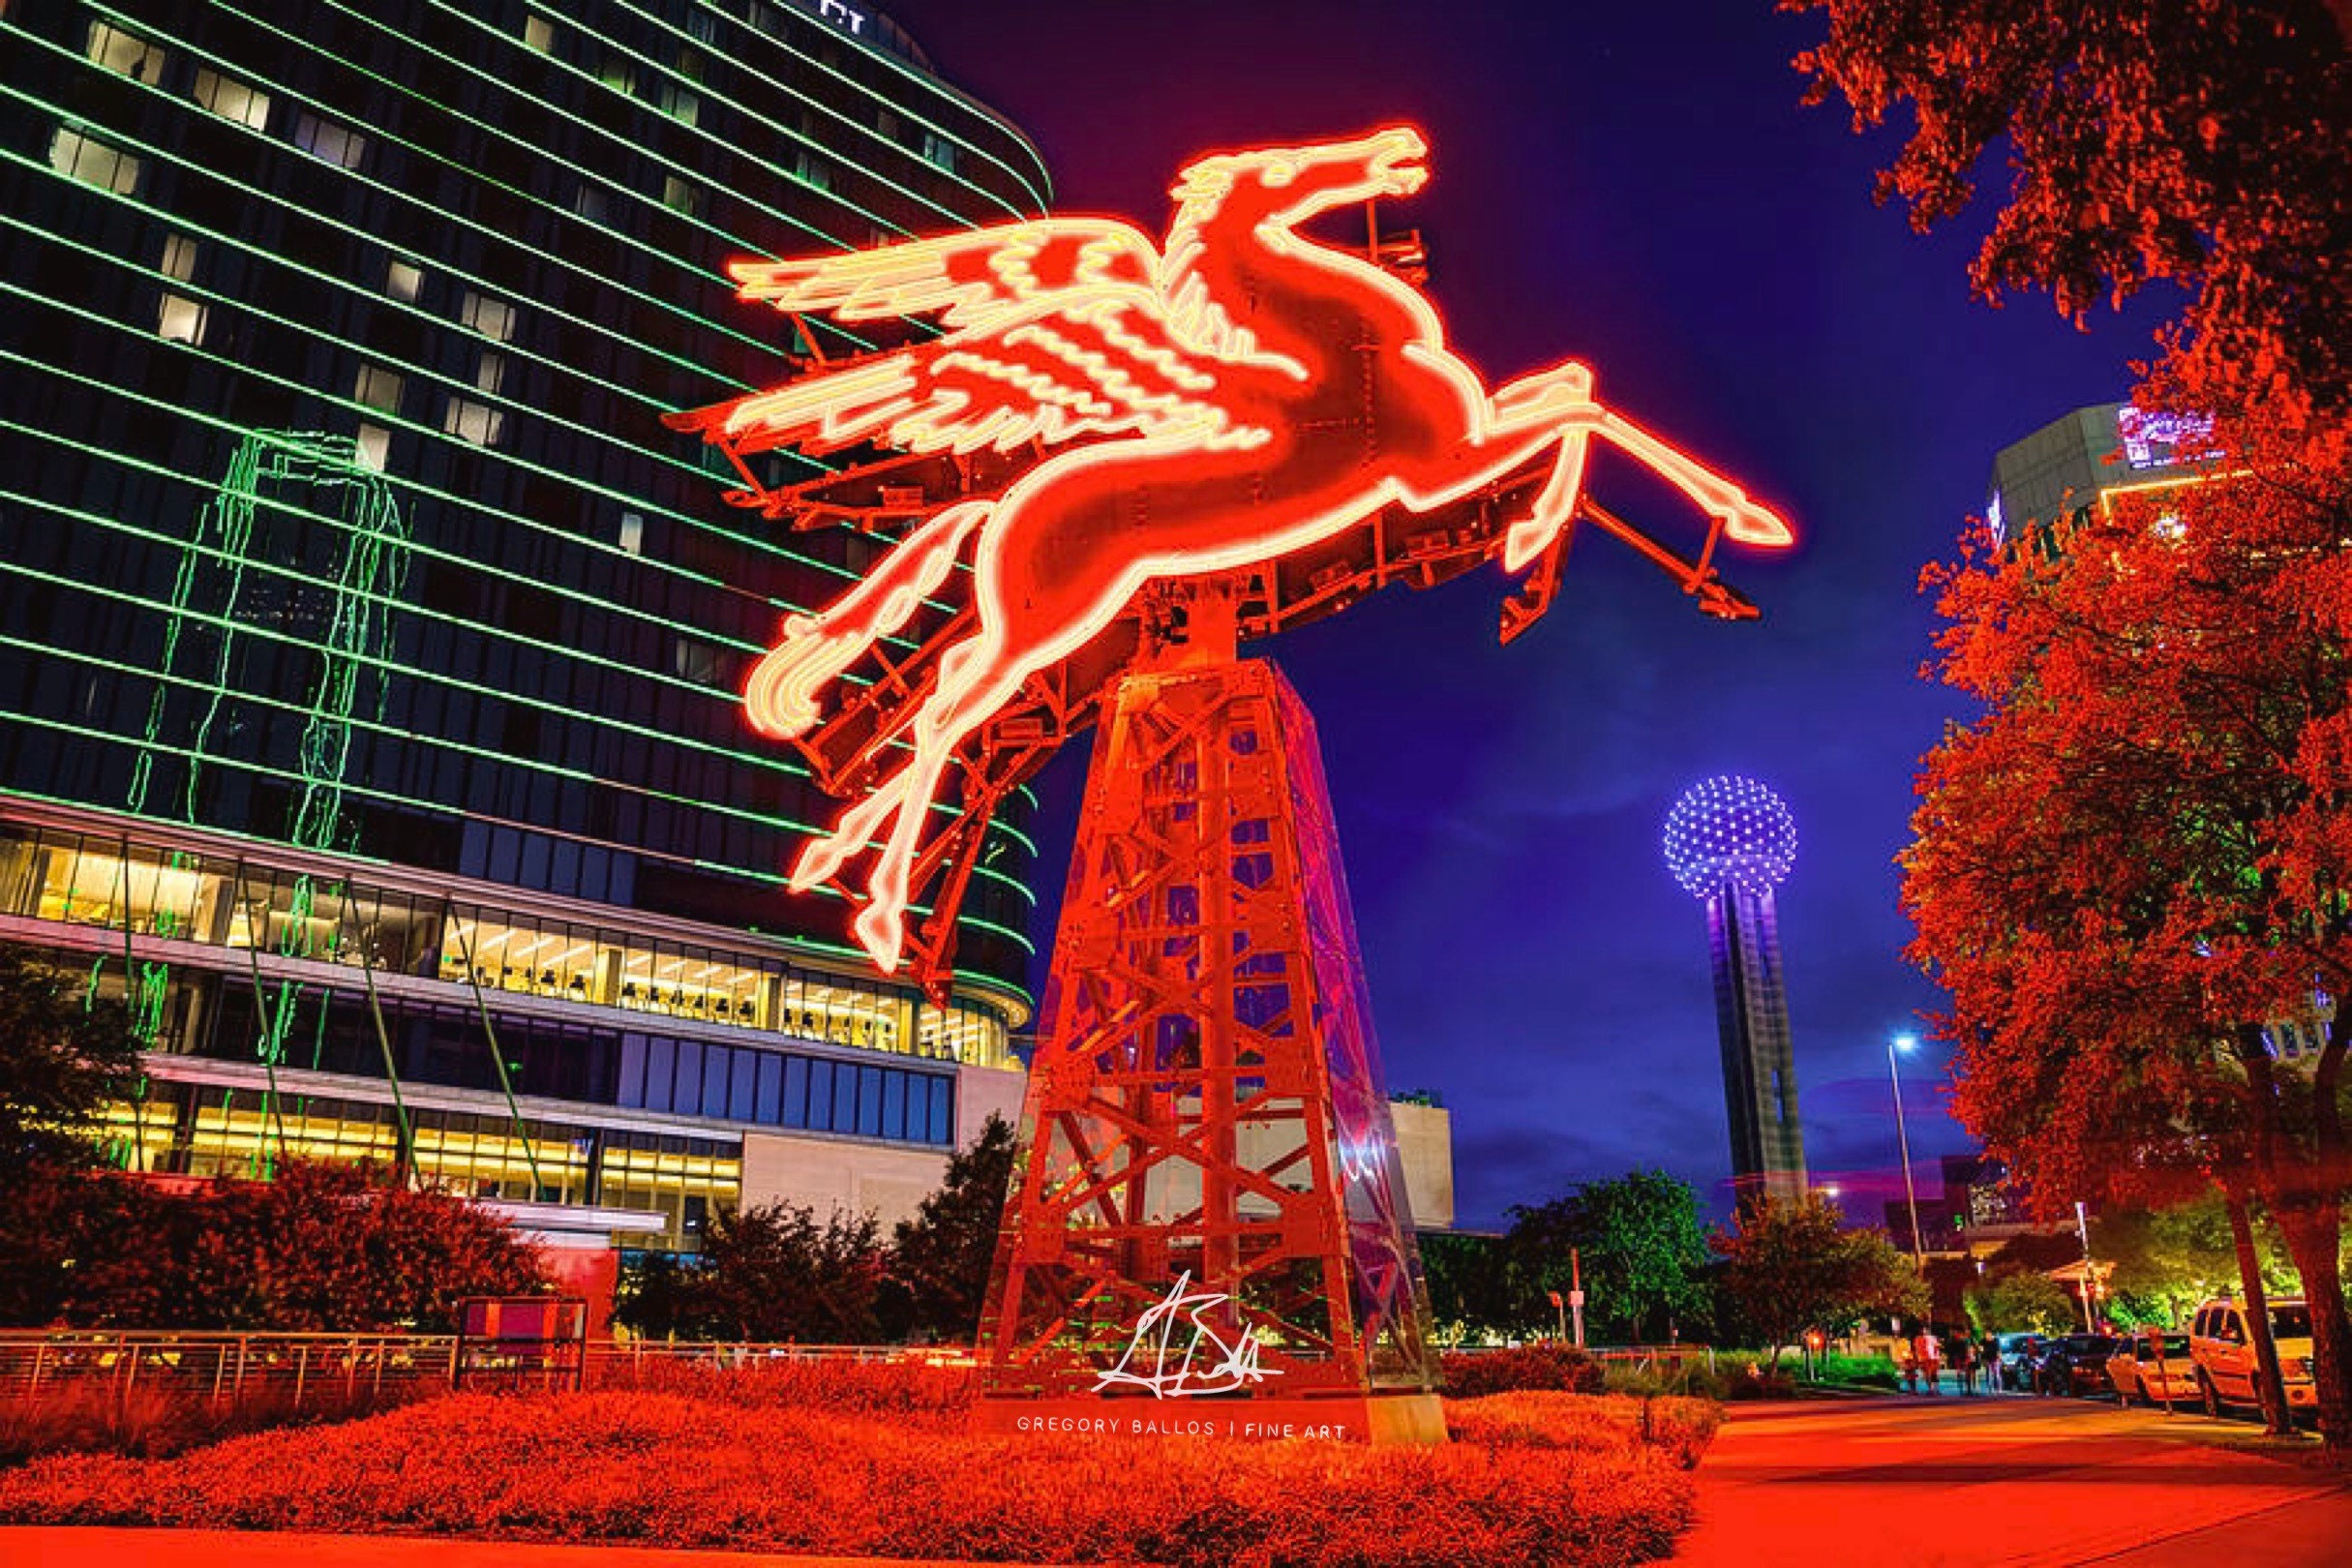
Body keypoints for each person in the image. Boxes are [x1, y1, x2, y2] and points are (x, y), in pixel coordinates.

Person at [1913, 1326, 1942, 1394]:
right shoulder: (1918, 1339)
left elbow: (1937, 1347)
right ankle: (1931, 1389)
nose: (1923, 1331)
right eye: (1922, 1330)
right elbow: (1917, 1349)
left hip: (1933, 1358)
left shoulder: (1933, 1338)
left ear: (1928, 1330)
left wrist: (1937, 1356)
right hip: (1924, 1358)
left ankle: (1936, 1389)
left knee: (1934, 1374)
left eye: (1925, 1330)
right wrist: (1917, 1358)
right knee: (1927, 1374)